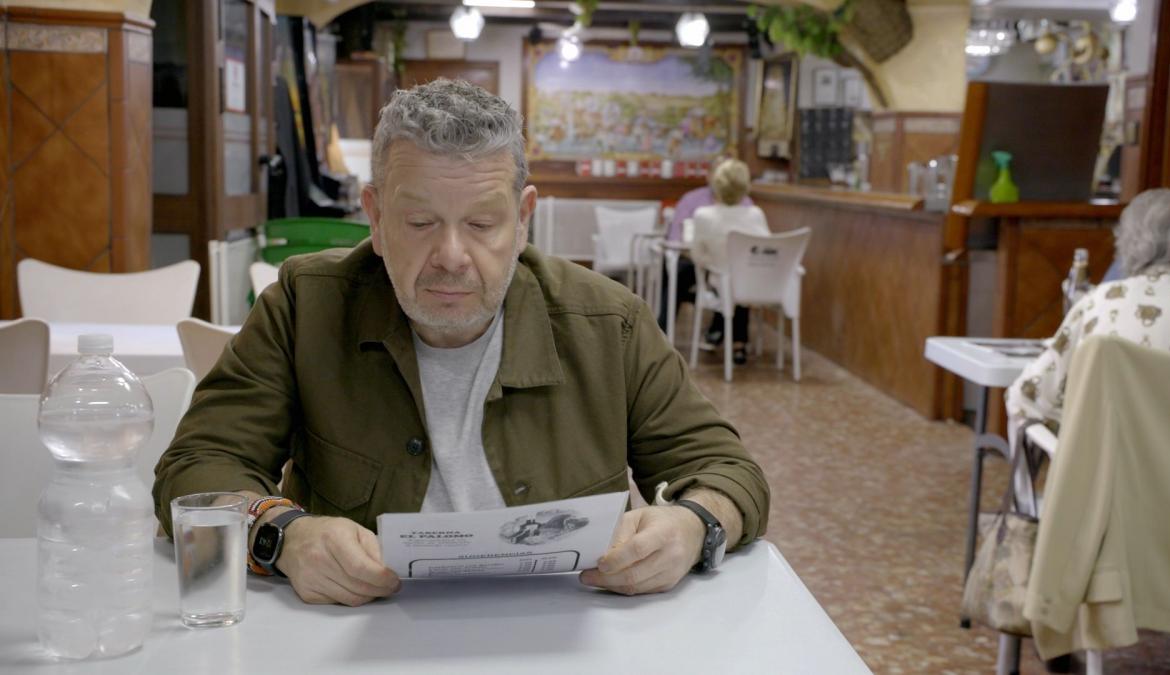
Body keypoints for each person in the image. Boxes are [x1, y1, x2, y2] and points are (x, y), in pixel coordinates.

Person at [153, 79, 769, 606]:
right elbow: (196, 466)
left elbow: (728, 471)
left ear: (523, 217)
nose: (451, 257)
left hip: (567, 638)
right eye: (420, 223)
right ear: (374, 215)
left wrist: (695, 524)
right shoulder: (304, 306)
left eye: (481, 223)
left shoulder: (610, 324)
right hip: (351, 637)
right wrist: (280, 535)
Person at [1006, 186, 1170, 452]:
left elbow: (1030, 394)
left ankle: (1040, 494)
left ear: (1126, 243)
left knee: (1022, 405)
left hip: (1107, 482)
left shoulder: (1100, 301)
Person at [689, 160, 772, 365]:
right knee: (738, 281)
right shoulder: (756, 214)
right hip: (758, 284)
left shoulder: (704, 215)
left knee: (726, 281)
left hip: (722, 282)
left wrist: (714, 261)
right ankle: (737, 344)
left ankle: (718, 332)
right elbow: (769, 248)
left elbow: (697, 256)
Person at [658, 157, 753, 336]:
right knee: (679, 272)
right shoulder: (695, 203)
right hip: (698, 261)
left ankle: (731, 337)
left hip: (732, 266)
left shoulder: (748, 208)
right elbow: (678, 240)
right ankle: (662, 330)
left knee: (738, 275)